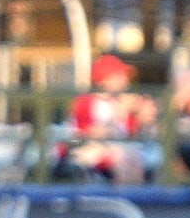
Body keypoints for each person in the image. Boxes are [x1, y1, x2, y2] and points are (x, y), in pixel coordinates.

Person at [58, 54, 158, 184]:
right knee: (122, 157)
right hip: (87, 150)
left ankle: (139, 195)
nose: (126, 80)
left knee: (144, 156)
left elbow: (133, 133)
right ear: (104, 80)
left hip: (119, 149)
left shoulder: (123, 100)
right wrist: (119, 114)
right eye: (120, 76)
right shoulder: (86, 102)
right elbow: (86, 135)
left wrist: (143, 117)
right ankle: (123, 195)